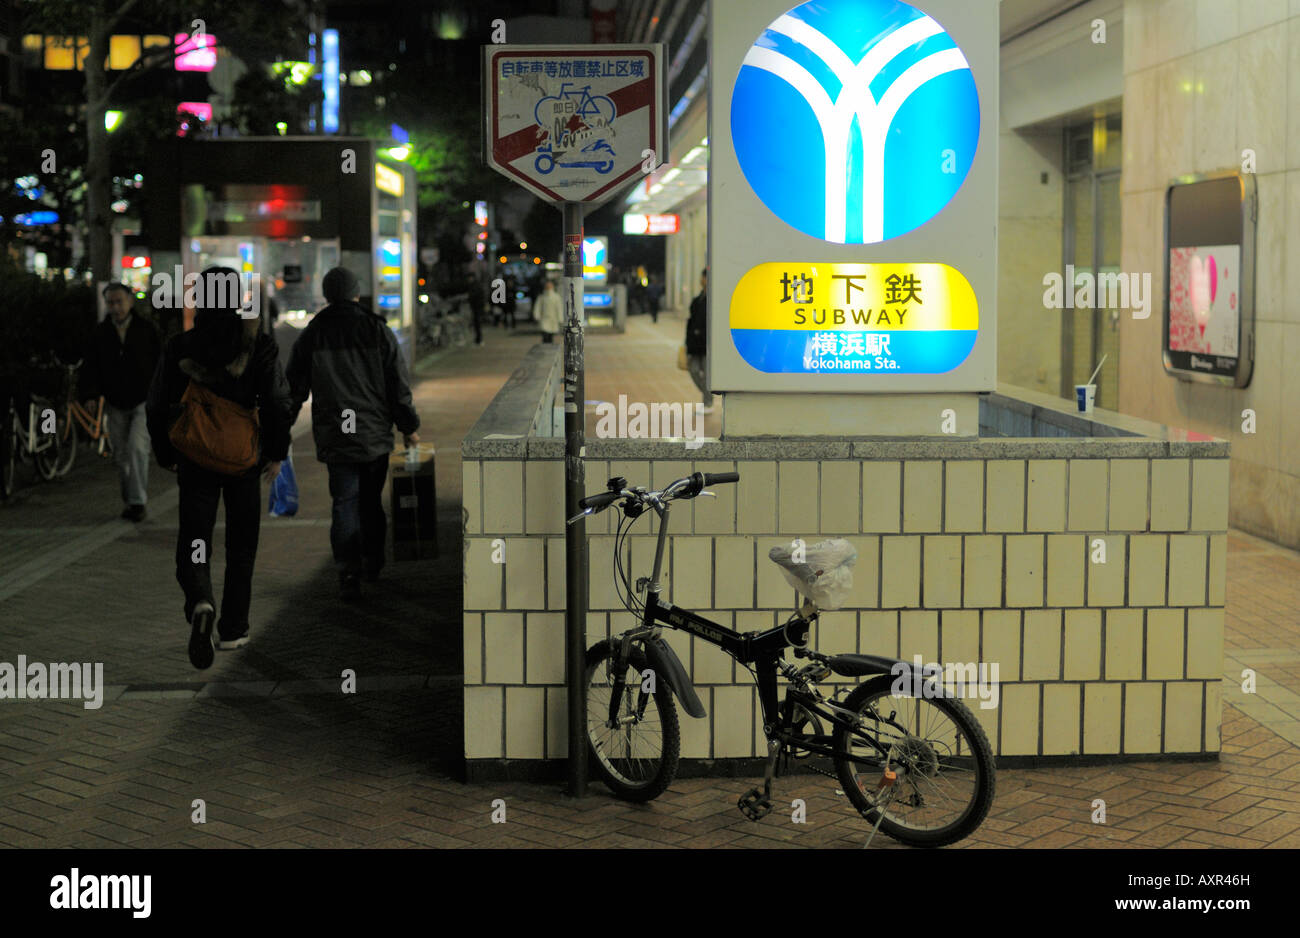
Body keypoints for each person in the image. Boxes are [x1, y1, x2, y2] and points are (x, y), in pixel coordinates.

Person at [146, 267, 293, 670]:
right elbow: (279, 401)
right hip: (243, 458)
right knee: (241, 546)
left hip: (195, 458)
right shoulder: (257, 344)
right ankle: (233, 628)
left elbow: (157, 404)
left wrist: (165, 451)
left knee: (195, 539)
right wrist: (276, 452)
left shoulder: (181, 346)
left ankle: (200, 602)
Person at [286, 266, 421, 601]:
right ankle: (373, 561)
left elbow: (294, 388)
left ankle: (348, 569)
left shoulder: (314, 333)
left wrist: (280, 426)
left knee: (344, 502)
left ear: (327, 294)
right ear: (356, 293)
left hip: (337, 433)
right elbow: (397, 386)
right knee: (371, 502)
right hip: (373, 433)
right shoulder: (377, 330)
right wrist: (409, 427)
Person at [87, 282, 161, 521]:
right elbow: (93, 367)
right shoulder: (101, 333)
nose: (116, 307)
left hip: (142, 400)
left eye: (119, 301)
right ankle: (131, 500)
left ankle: (137, 502)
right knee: (121, 455)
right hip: (115, 401)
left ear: (130, 301)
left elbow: (160, 363)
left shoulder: (146, 330)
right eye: (111, 302)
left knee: (137, 448)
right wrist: (90, 394)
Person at [685, 267, 713, 412]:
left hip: (707, 344)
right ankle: (708, 396)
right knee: (694, 370)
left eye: (704, 277)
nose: (702, 280)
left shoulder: (714, 300)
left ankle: (708, 403)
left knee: (707, 374)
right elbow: (691, 321)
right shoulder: (697, 300)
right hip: (695, 344)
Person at [534, 279, 562, 344]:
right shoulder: (541, 297)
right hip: (544, 319)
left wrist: (560, 318)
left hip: (553, 319)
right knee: (545, 334)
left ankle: (549, 346)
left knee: (550, 336)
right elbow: (537, 307)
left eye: (550, 286)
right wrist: (536, 315)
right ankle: (546, 346)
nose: (548, 287)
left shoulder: (556, 297)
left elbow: (559, 308)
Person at [466, 273, 485, 346]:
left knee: (477, 324)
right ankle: (478, 339)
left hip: (477, 307)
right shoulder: (474, 285)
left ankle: (479, 339)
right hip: (476, 307)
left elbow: (474, 296)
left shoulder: (475, 286)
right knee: (476, 324)